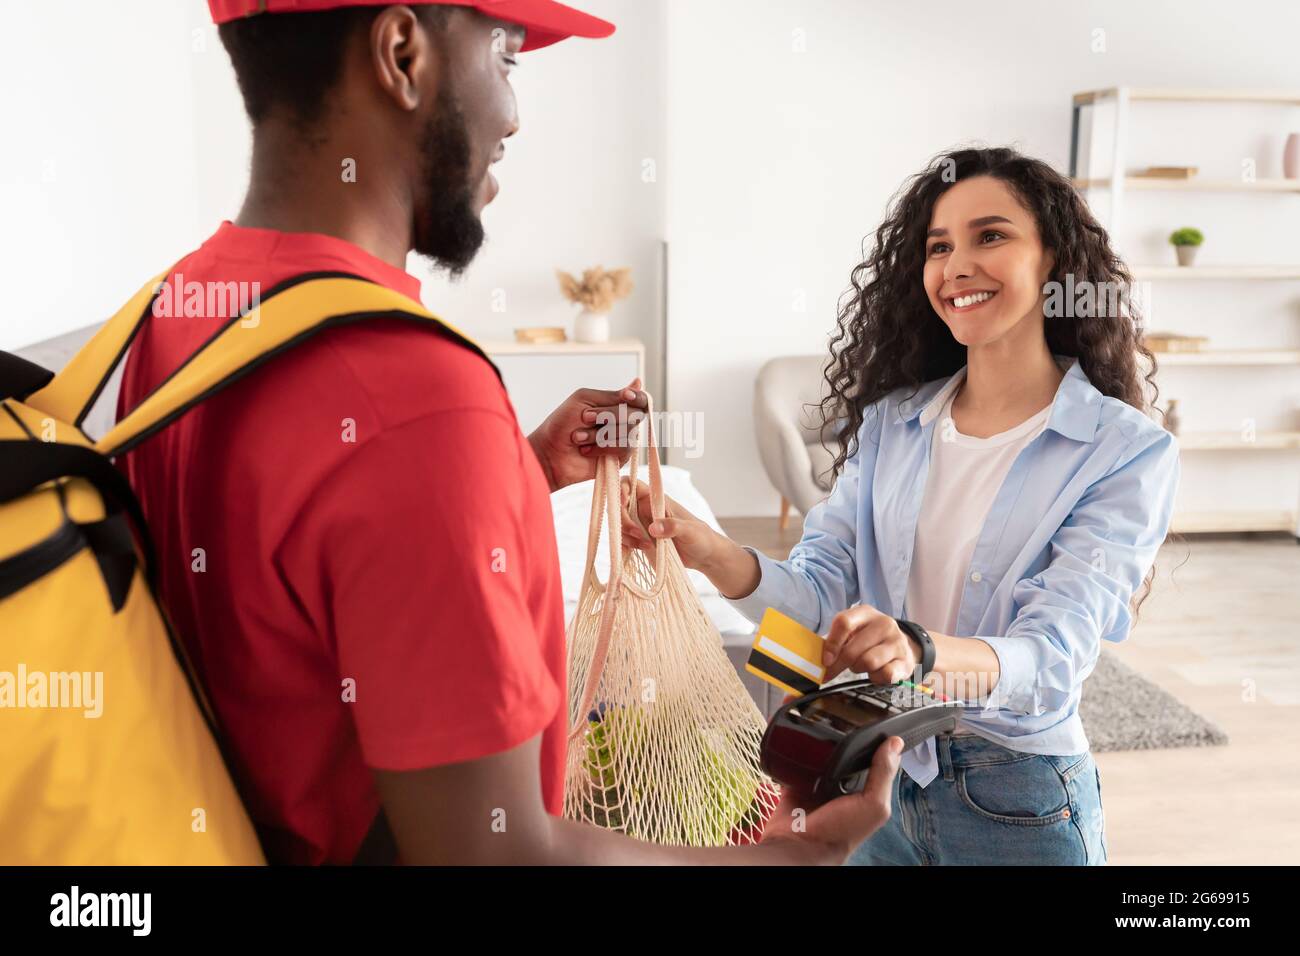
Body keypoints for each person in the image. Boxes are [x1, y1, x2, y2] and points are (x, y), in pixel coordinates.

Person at [115, 0, 899, 864]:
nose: (514, 119)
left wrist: (517, 473)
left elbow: (291, 572)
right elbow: (502, 855)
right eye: (508, 60)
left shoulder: (179, 312)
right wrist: (790, 858)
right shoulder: (417, 396)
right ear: (402, 50)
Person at [621, 146, 1181, 865]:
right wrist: (709, 550)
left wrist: (914, 649)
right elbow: (821, 592)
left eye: (991, 236)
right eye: (938, 247)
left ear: (1054, 264)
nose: (956, 265)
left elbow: (1050, 661)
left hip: (1015, 797)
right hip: (877, 774)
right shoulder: (894, 424)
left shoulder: (1124, 451)